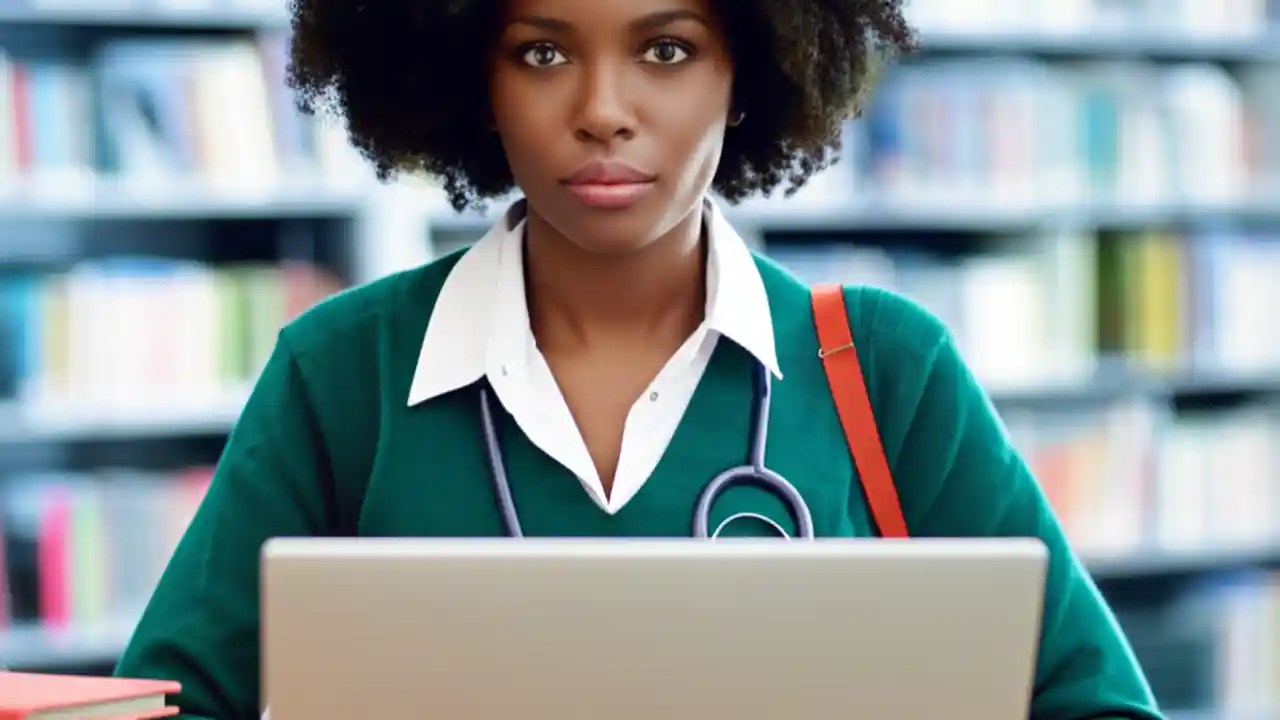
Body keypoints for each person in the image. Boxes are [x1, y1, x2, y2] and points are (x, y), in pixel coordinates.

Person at [114, 0, 1165, 718]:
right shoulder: (340, 372)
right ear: (468, 77)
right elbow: (173, 700)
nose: (601, 108)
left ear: (749, 69)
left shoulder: (886, 370)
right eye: (541, 51)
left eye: (665, 48)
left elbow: (1095, 704)